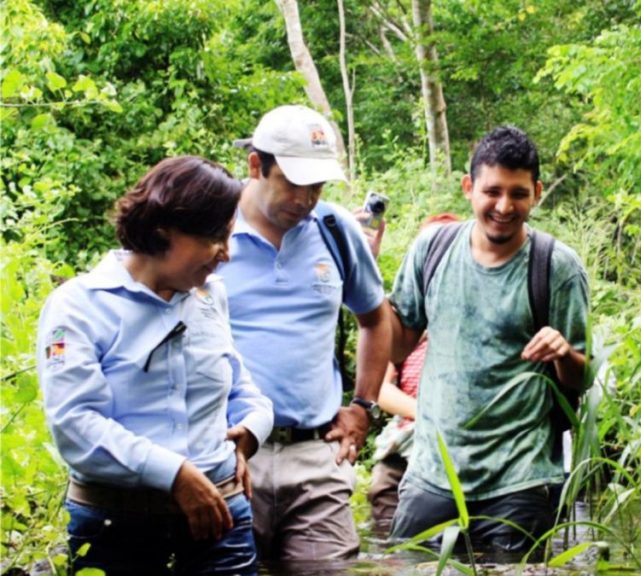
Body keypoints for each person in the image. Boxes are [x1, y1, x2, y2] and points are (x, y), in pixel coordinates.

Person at [36, 156, 274, 575]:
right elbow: (76, 424)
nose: (226, 254)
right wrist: (175, 474)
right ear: (165, 230)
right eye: (215, 237)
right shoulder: (80, 306)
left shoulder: (209, 297)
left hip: (220, 520)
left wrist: (252, 429)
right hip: (116, 525)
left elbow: (239, 388)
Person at [387, 126, 590, 552]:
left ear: (535, 193)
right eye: (492, 191)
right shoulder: (432, 249)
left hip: (522, 479)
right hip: (433, 473)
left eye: (518, 193)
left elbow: (579, 380)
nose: (504, 206)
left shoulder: (557, 267)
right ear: (468, 188)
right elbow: (398, 345)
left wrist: (563, 352)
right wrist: (363, 287)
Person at [218, 104, 390, 560]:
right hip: (228, 452)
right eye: (293, 183)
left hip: (316, 455)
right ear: (257, 165)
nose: (306, 198)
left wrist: (362, 407)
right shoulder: (211, 228)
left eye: (316, 185)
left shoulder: (334, 229)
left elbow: (375, 317)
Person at [368, 213, 460, 533]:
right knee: (384, 485)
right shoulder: (409, 324)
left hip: (461, 442)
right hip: (411, 432)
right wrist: (424, 413)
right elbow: (380, 389)